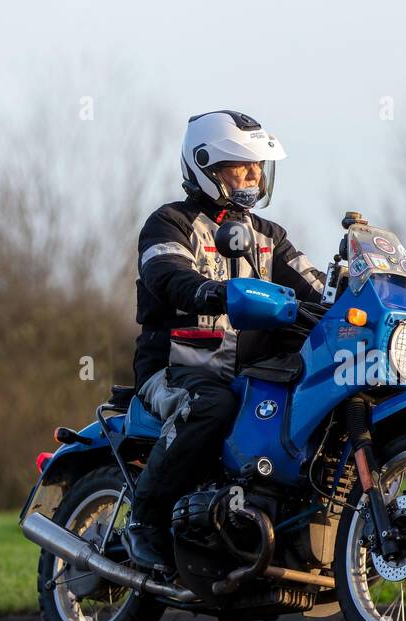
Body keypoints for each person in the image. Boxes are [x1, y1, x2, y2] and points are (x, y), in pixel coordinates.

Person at [126, 110, 325, 571]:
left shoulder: (269, 237)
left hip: (248, 376)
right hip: (176, 370)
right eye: (242, 166)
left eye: (258, 166)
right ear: (206, 166)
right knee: (211, 406)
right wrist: (206, 291)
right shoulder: (169, 223)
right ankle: (145, 521)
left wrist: (358, 296)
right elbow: (167, 273)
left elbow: (315, 286)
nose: (254, 176)